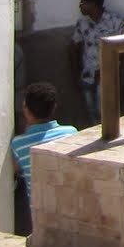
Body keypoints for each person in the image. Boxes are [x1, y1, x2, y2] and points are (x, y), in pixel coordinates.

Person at [11, 81, 77, 212]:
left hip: (39, 211)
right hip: (71, 206)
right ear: (54, 107)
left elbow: (16, 169)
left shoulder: (18, 144)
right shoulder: (71, 133)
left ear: (26, 110)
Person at [69, 0, 124, 124]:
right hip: (87, 75)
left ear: (94, 4)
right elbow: (74, 47)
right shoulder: (82, 23)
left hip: (107, 75)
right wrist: (75, 73)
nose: (80, 6)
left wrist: (111, 64)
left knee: (107, 112)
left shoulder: (114, 21)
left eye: (83, 2)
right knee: (92, 113)